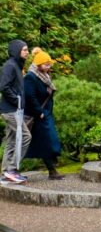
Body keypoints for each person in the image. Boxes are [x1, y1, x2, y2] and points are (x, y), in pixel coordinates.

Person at [24, 48, 62, 180]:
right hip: (38, 115)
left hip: (46, 113)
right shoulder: (31, 77)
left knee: (49, 140)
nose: (48, 67)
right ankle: (52, 169)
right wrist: (39, 112)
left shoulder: (45, 75)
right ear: (38, 64)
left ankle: (52, 169)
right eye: (46, 64)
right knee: (47, 141)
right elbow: (30, 96)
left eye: (49, 64)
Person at [1, 39, 31, 184]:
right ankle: (12, 170)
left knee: (12, 140)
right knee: (26, 137)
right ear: (16, 51)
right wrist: (17, 100)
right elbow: (3, 87)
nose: (27, 52)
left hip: (14, 109)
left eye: (27, 49)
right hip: (11, 110)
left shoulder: (17, 66)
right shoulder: (10, 66)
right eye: (24, 49)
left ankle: (6, 172)